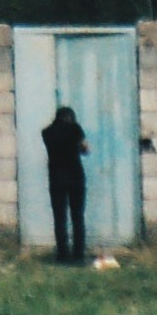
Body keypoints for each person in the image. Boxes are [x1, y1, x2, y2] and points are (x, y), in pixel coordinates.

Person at [41, 97, 90, 265]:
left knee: (59, 217)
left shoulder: (46, 132)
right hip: (76, 177)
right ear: (71, 117)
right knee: (77, 216)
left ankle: (62, 254)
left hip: (56, 177)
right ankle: (78, 254)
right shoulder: (76, 129)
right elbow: (85, 149)